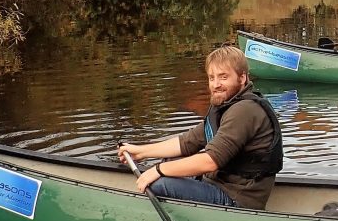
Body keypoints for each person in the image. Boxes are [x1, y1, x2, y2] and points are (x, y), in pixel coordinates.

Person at [117, 45, 283, 209]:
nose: (215, 84)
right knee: (170, 161)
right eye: (212, 78)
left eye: (223, 77)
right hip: (217, 183)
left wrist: (158, 170)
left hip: (236, 199)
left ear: (242, 78)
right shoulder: (226, 105)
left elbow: (211, 161)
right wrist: (140, 152)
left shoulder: (244, 110)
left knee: (159, 184)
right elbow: (187, 142)